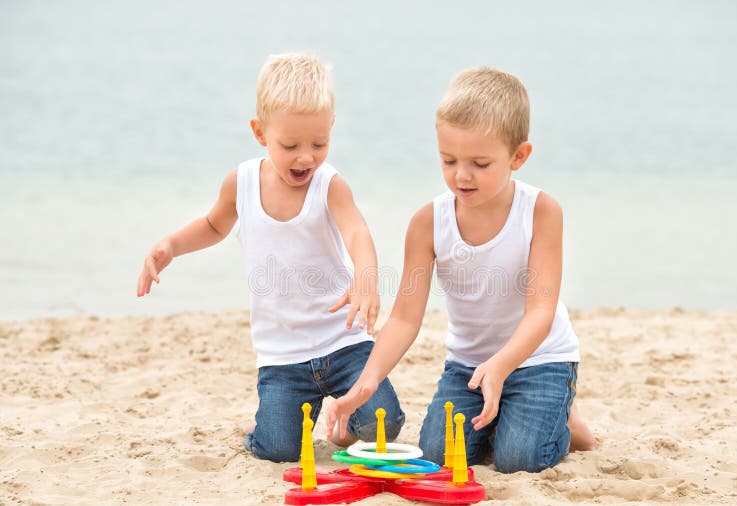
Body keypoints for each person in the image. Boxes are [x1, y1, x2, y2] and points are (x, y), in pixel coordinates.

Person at [136, 52, 404, 462]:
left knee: (382, 421)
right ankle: (264, 425)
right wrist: (171, 245)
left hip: (343, 342)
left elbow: (356, 231)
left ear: (331, 127)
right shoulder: (241, 183)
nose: (306, 157)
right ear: (260, 133)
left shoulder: (329, 186)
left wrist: (366, 277)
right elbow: (213, 225)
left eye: (319, 144)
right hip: (283, 355)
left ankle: (340, 427)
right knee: (276, 450)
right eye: (290, 145)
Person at [326, 66, 596, 473]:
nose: (461, 175)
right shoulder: (427, 222)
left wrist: (502, 367)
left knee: (518, 460)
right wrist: (366, 383)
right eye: (448, 160)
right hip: (468, 367)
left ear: (518, 156)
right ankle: (512, 415)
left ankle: (563, 415)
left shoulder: (541, 212)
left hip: (539, 360)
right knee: (437, 455)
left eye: (481, 164)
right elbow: (404, 318)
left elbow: (541, 312)